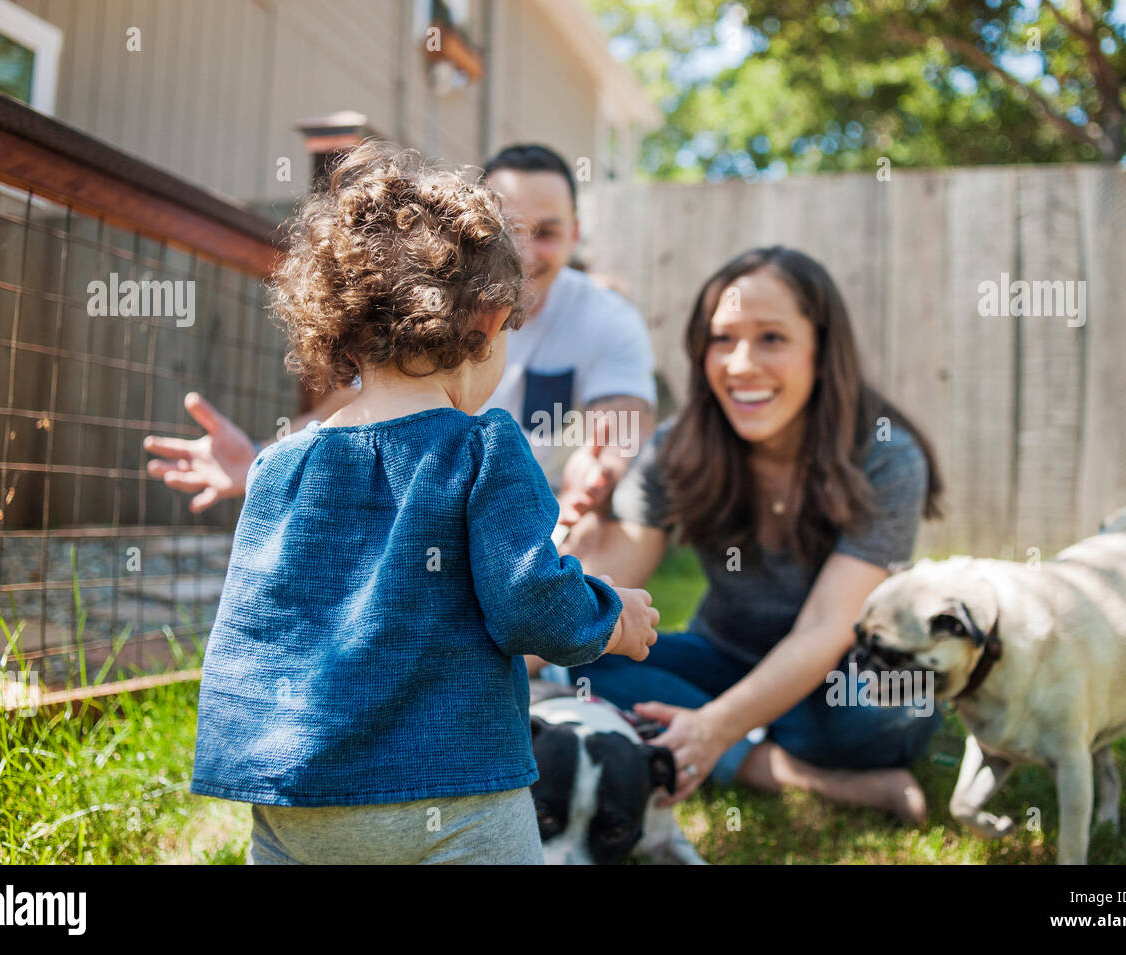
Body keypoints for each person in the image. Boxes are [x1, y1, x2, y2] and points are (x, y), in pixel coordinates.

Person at [189, 143, 660, 865]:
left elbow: (253, 630)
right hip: (457, 797)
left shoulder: (281, 463)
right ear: (491, 321)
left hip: (294, 797)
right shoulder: (482, 448)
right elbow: (531, 602)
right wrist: (612, 617)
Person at [548, 246, 945, 821]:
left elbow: (826, 627)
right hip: (725, 657)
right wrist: (580, 526)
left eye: (771, 338)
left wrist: (714, 724)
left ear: (822, 348)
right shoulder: (674, 449)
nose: (739, 364)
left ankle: (724, 740)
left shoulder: (887, 457)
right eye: (722, 339)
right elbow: (603, 591)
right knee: (587, 657)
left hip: (838, 673)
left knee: (893, 711)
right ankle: (793, 773)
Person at [142, 144, 655, 527]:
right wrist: (263, 454)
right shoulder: (436, 302)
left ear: (576, 234)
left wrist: (598, 471)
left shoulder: (607, 320)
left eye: (545, 233)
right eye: (510, 229)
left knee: (604, 528)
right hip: (430, 505)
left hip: (553, 511)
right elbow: (355, 408)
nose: (524, 252)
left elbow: (620, 422)